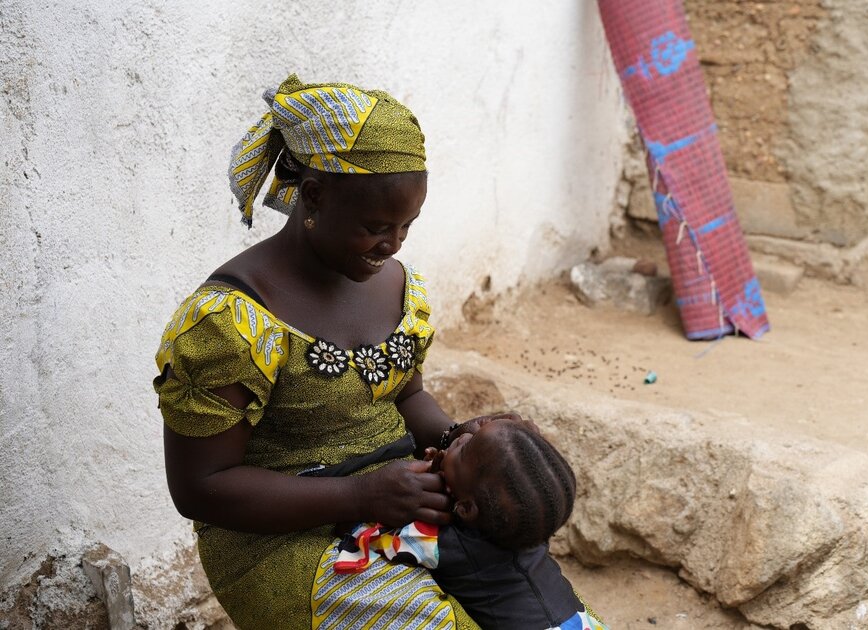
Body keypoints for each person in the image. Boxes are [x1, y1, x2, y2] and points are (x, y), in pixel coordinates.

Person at [155, 74, 487, 629]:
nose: (394, 244)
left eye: (407, 225)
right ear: (314, 195)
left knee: (543, 608)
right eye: (375, 226)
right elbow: (201, 488)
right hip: (279, 545)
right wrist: (362, 495)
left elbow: (409, 395)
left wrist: (464, 443)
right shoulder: (228, 322)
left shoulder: (399, 285)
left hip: (398, 502)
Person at [329, 415, 609, 630]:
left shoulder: (432, 541)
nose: (462, 438)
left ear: (465, 508)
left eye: (464, 450)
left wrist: (355, 511)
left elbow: (368, 534)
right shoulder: (528, 528)